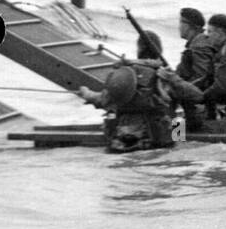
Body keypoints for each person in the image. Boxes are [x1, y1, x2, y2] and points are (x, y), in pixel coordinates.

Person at [76, 31, 204, 153]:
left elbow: (103, 100)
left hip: (124, 138)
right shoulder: (164, 74)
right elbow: (197, 95)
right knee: (179, 118)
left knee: (111, 114)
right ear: (159, 51)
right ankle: (180, 142)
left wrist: (86, 93)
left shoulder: (123, 75)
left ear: (139, 49)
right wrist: (172, 79)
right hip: (161, 140)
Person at [176, 7, 215, 132]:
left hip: (197, 104)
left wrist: (180, 86)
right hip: (198, 101)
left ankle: (176, 137)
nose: (179, 27)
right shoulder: (197, 44)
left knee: (174, 107)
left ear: (190, 26)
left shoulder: (199, 46)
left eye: (181, 22)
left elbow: (202, 78)